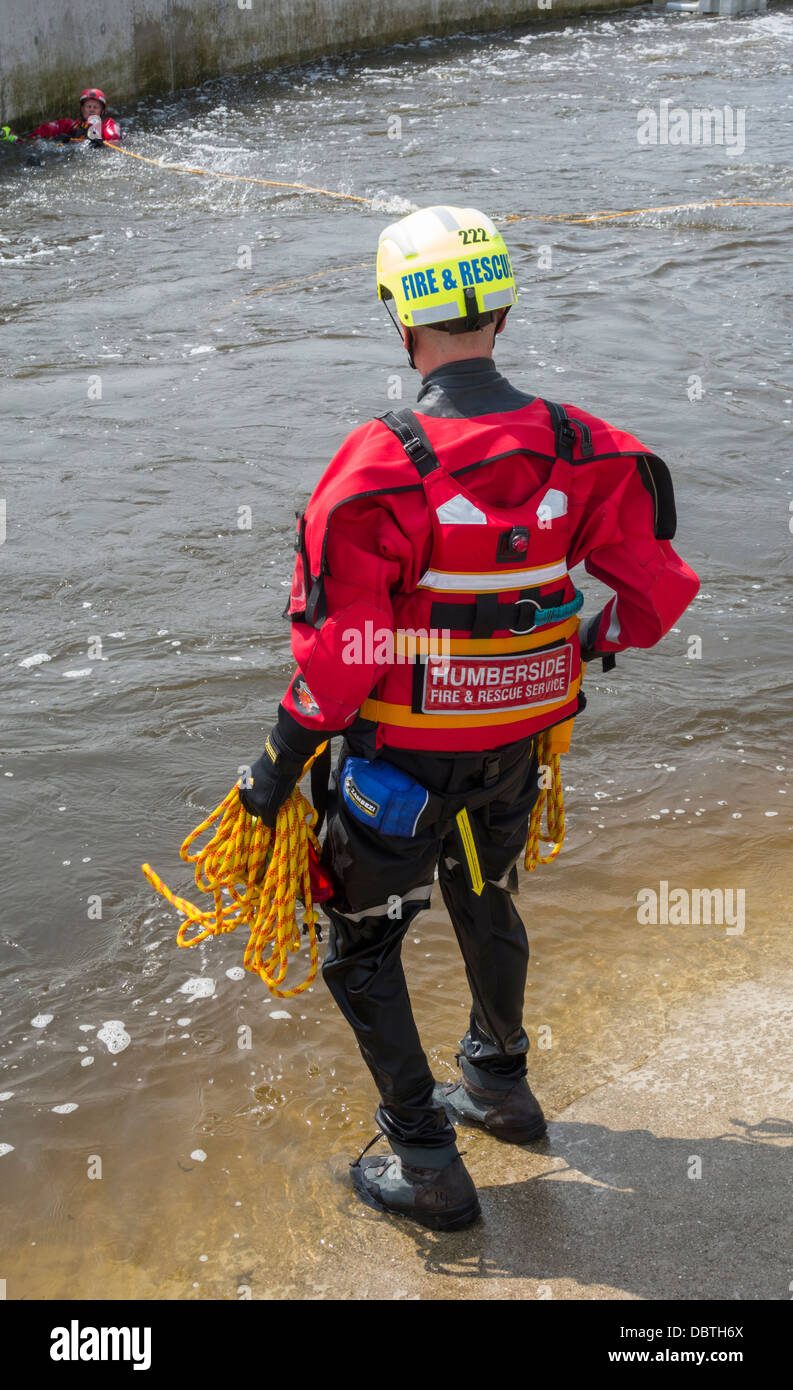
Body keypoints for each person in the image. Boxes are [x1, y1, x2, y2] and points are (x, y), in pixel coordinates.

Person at [239, 204, 700, 1231]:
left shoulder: (375, 468)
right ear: (500, 306)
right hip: (513, 752)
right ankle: (497, 1081)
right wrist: (578, 645)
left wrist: (269, 776)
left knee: (359, 945)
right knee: (486, 893)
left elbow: (338, 657)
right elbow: (657, 594)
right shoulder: (589, 447)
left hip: (398, 764)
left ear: (400, 321)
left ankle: (429, 1164)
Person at [0, 88, 121, 145]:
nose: (91, 110)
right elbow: (40, 134)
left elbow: (115, 144)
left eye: (96, 107)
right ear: (81, 109)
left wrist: (99, 143)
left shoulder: (108, 125)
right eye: (88, 106)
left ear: (102, 111)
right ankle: (14, 139)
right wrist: (53, 140)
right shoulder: (68, 125)